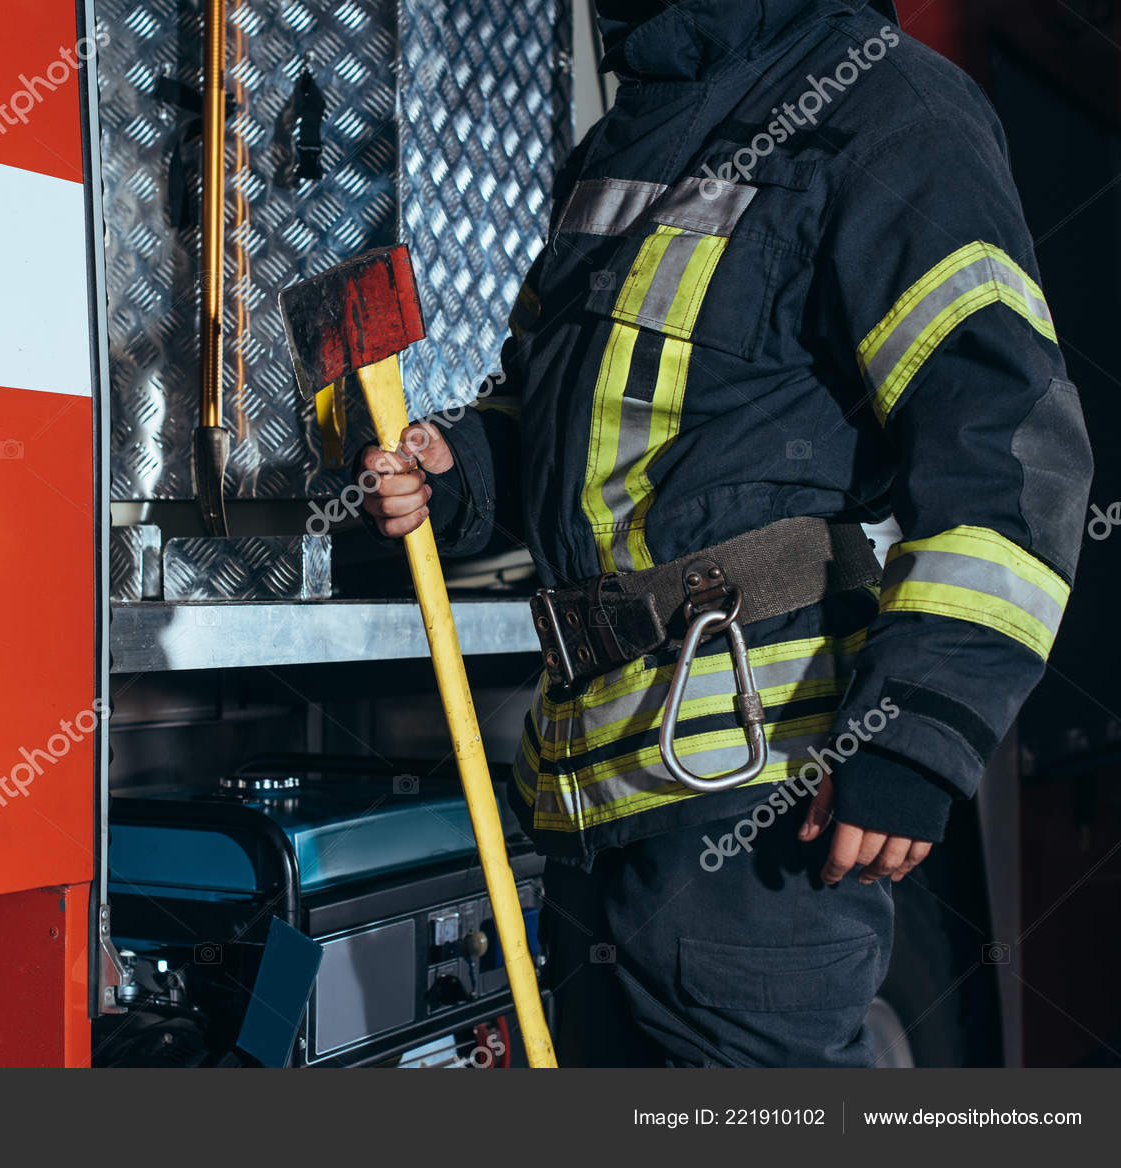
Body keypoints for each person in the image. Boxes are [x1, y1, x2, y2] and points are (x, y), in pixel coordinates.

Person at [360, 0, 1091, 1066]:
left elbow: (1006, 446)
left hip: (757, 805)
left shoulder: (893, 109)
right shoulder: (632, 137)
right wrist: (460, 468)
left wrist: (916, 732)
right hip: (587, 800)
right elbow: (563, 418)